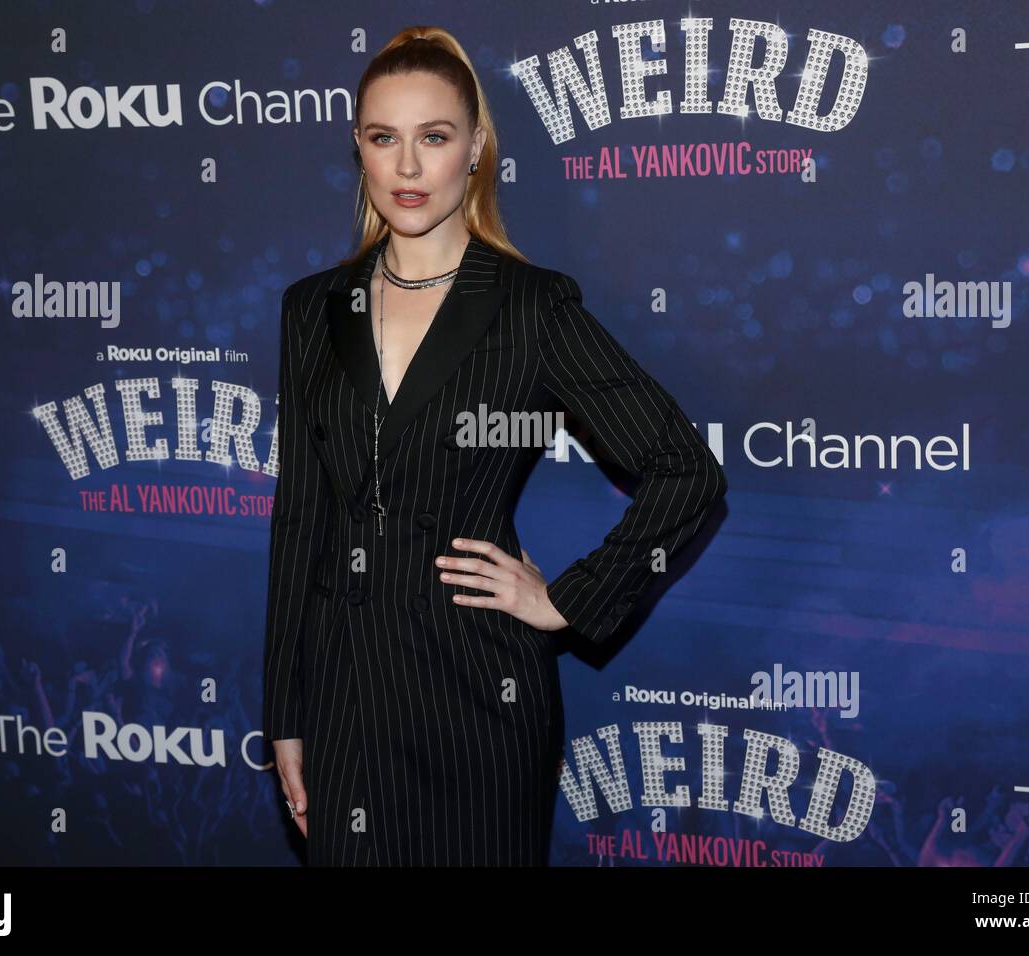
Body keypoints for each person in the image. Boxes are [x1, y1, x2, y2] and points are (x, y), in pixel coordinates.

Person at [263, 26, 727, 866]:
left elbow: (686, 472)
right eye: (383, 138)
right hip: (342, 698)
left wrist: (570, 599)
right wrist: (287, 713)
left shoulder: (529, 308)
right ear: (358, 148)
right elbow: (300, 520)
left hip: (477, 691)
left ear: (474, 148)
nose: (407, 168)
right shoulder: (312, 309)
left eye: (433, 138)